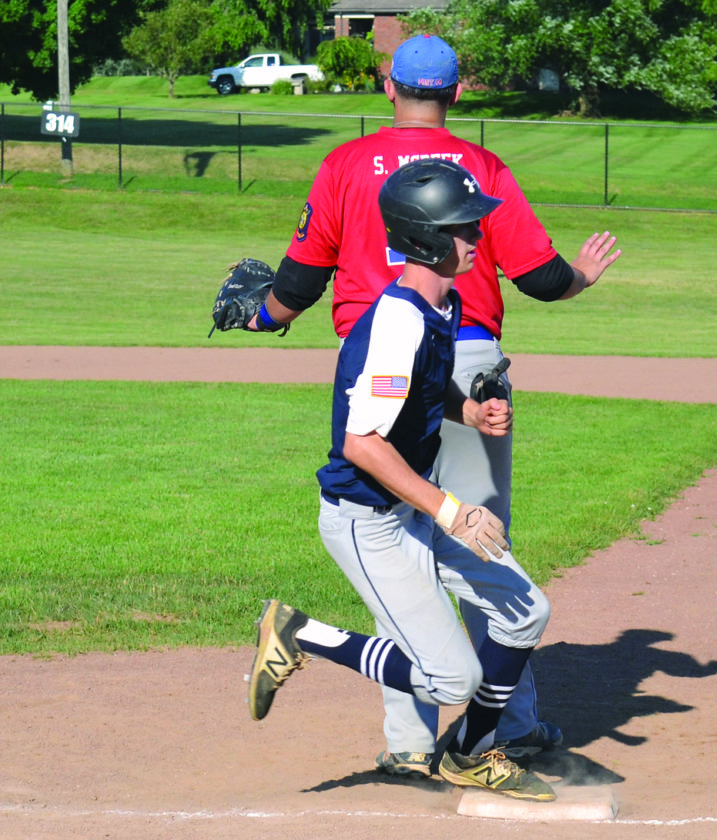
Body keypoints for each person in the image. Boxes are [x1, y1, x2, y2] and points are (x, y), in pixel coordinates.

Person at [246, 34, 621, 776]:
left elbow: (294, 287)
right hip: (439, 355)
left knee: (428, 557)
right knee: (470, 542)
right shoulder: (477, 166)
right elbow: (540, 277)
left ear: (389, 85)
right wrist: (579, 276)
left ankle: (414, 742)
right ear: (457, 91)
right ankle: (503, 728)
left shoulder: (345, 164)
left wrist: (261, 316)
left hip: (433, 365)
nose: (474, 232)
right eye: (465, 228)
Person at [249, 158, 556, 801]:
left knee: (526, 612)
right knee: (450, 682)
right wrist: (453, 512)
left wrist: (467, 409)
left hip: (412, 508)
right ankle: (298, 632)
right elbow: (362, 444)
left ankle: (469, 754)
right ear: (427, 238)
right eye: (465, 228)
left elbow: (421, 393)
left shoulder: (442, 300)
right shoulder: (398, 322)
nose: (478, 238)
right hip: (368, 520)